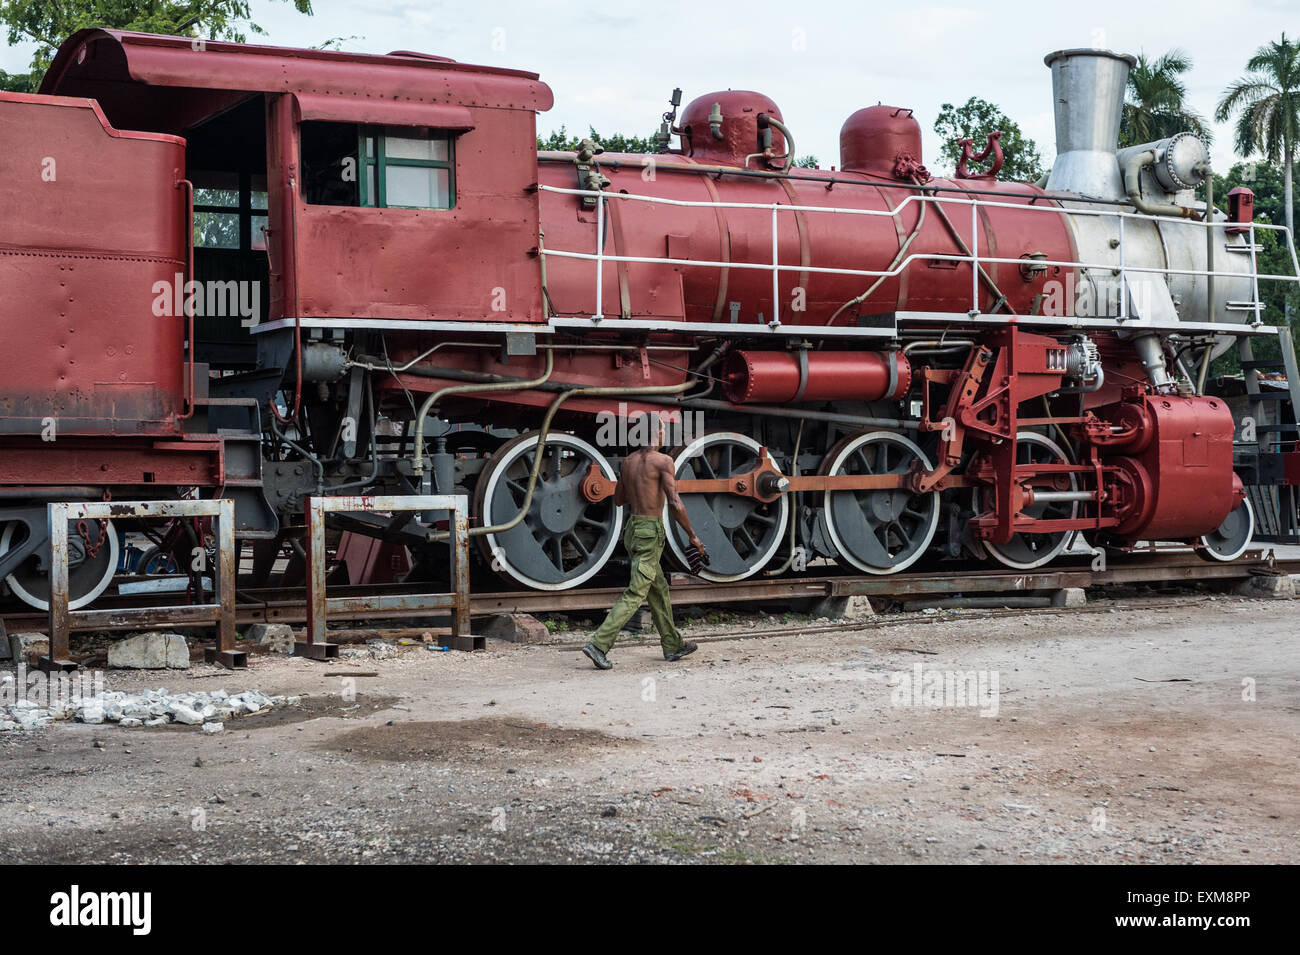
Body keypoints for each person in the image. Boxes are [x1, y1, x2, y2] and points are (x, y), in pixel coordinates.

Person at [582, 413, 707, 670]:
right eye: (663, 430)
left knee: (658, 587)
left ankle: (672, 645)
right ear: (658, 433)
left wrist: (641, 490)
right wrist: (693, 535)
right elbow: (675, 502)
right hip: (650, 530)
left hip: (633, 529)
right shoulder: (663, 461)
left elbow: (619, 500)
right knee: (637, 591)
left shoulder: (628, 462)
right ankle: (598, 644)